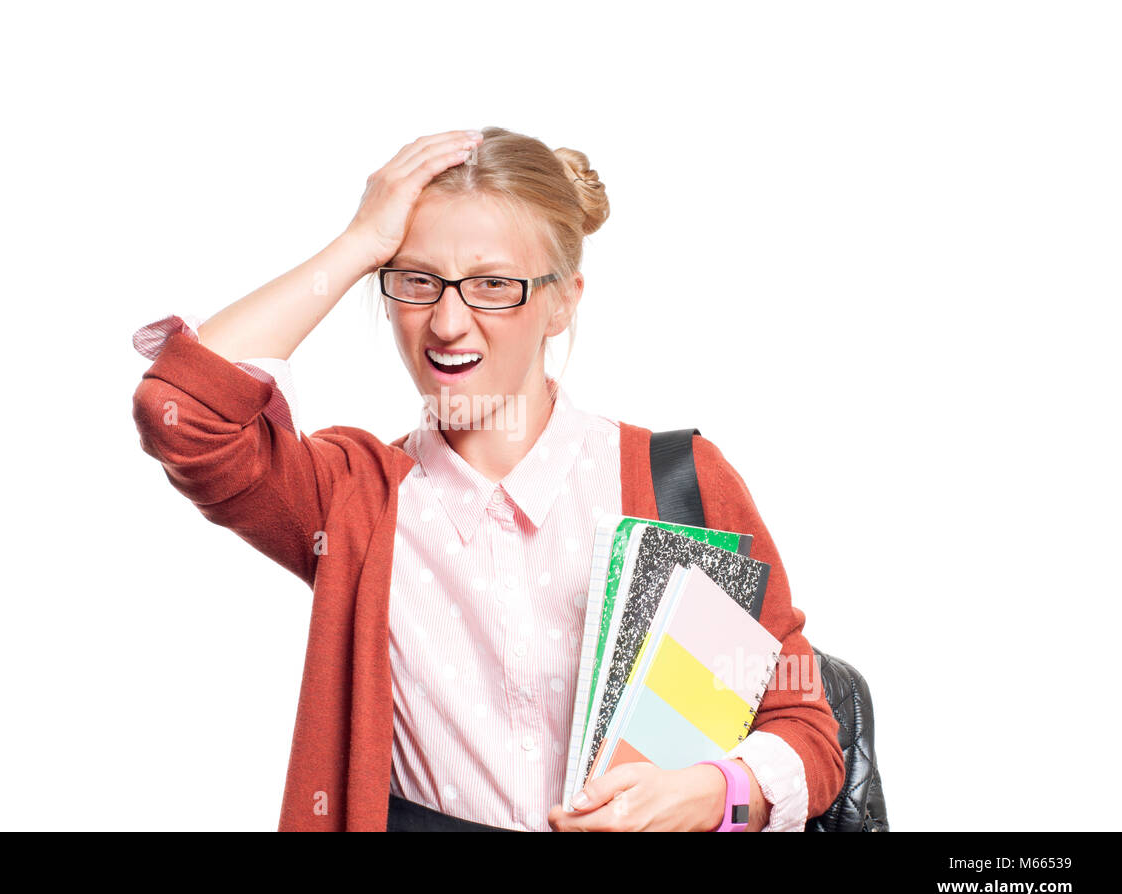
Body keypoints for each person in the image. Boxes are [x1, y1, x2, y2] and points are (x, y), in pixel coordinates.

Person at [131, 126, 846, 832]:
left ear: (562, 301)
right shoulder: (351, 500)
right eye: (416, 280)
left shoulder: (677, 485)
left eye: (493, 284)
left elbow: (806, 730)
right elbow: (184, 411)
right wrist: (358, 243)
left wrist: (713, 795)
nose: (446, 321)